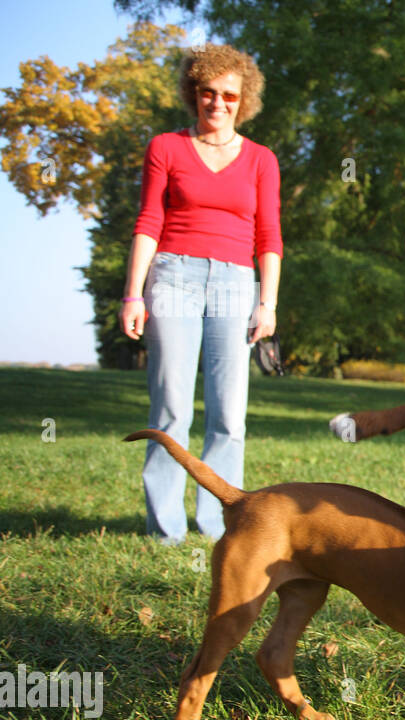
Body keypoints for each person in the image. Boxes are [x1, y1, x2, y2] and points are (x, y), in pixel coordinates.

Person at [120, 44, 282, 543]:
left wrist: (268, 302)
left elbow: (269, 235)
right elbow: (149, 222)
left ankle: (218, 523)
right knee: (171, 406)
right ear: (194, 93)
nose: (218, 103)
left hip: (236, 282)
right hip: (173, 277)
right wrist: (133, 294)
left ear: (244, 99)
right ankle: (165, 529)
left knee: (228, 413)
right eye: (207, 92)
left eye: (229, 95)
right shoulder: (165, 147)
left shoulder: (260, 159)